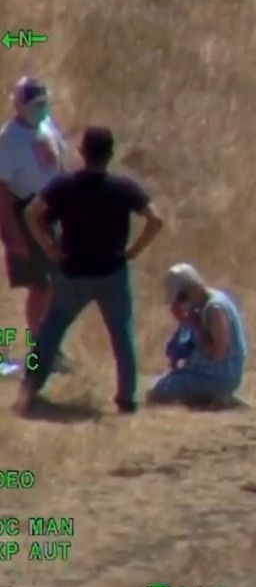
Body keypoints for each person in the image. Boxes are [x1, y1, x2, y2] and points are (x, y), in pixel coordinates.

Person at [11, 126, 164, 416]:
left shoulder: (64, 186)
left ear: (82, 152)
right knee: (122, 335)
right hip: (112, 272)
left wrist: (49, 248)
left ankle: (29, 388)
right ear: (110, 154)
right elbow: (156, 219)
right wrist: (133, 251)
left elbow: (32, 213)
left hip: (72, 272)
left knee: (49, 332)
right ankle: (126, 398)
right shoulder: (123, 188)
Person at [0, 76, 70, 375]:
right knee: (41, 286)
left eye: (43, 103)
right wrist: (12, 233)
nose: (40, 109)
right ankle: (41, 350)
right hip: (25, 214)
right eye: (34, 105)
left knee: (58, 284)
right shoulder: (9, 139)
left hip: (51, 212)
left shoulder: (47, 127)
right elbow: (2, 190)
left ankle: (51, 347)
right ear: (19, 105)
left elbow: (60, 165)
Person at [147, 263, 249, 407]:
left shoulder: (215, 308)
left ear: (189, 290)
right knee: (155, 385)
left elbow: (220, 353)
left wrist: (195, 325)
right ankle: (212, 399)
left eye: (181, 297)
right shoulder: (201, 304)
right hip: (204, 372)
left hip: (219, 377)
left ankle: (217, 399)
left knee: (160, 392)